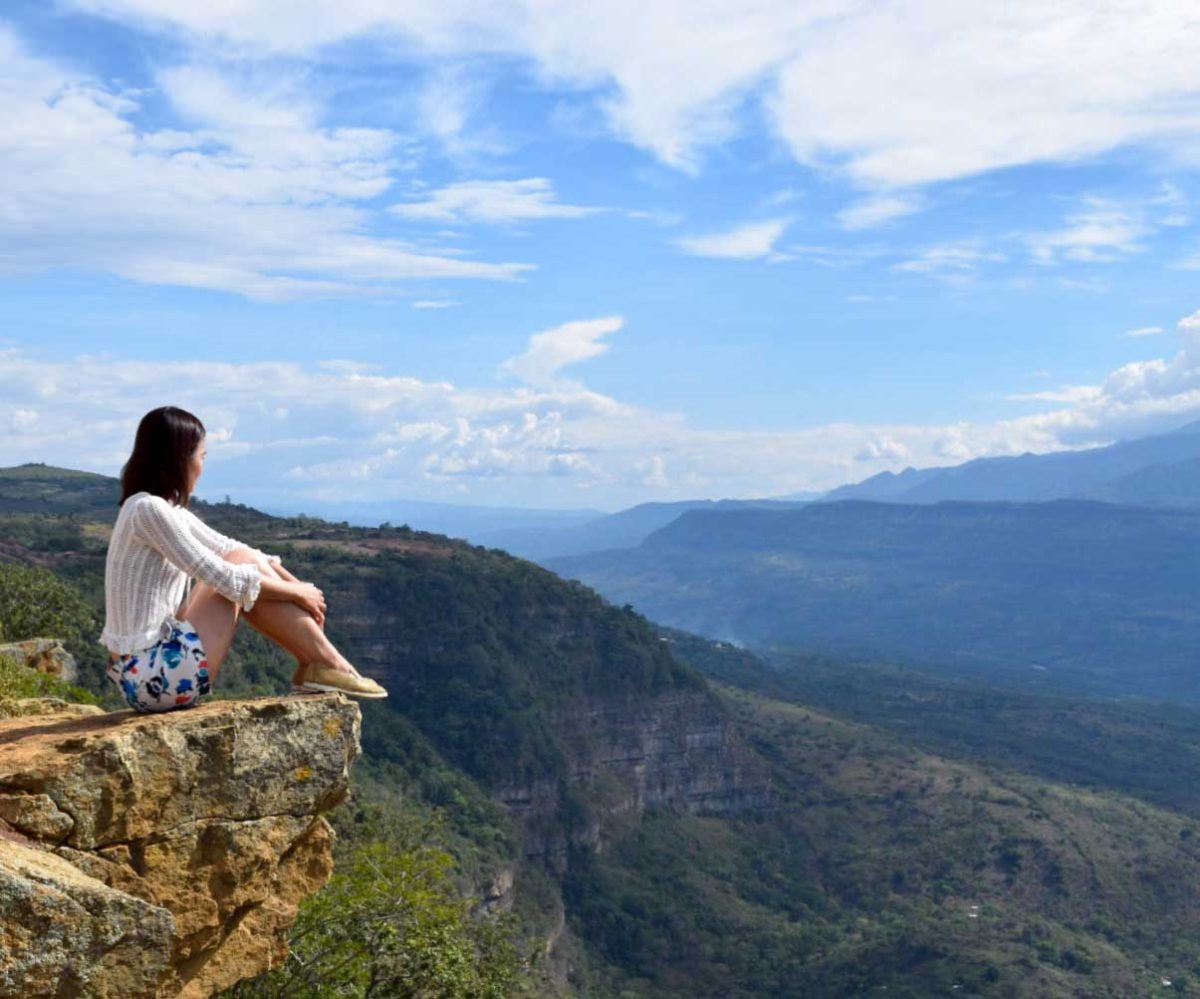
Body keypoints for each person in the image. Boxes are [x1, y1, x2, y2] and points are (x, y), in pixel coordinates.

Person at [100, 405, 387, 712]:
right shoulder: (149, 510)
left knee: (241, 558)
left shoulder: (158, 509)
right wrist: (298, 593)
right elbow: (226, 577)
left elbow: (232, 548)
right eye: (201, 456)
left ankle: (316, 663)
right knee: (238, 571)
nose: (201, 466)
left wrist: (299, 585)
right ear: (179, 458)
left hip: (146, 673)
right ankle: (328, 663)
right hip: (152, 678)